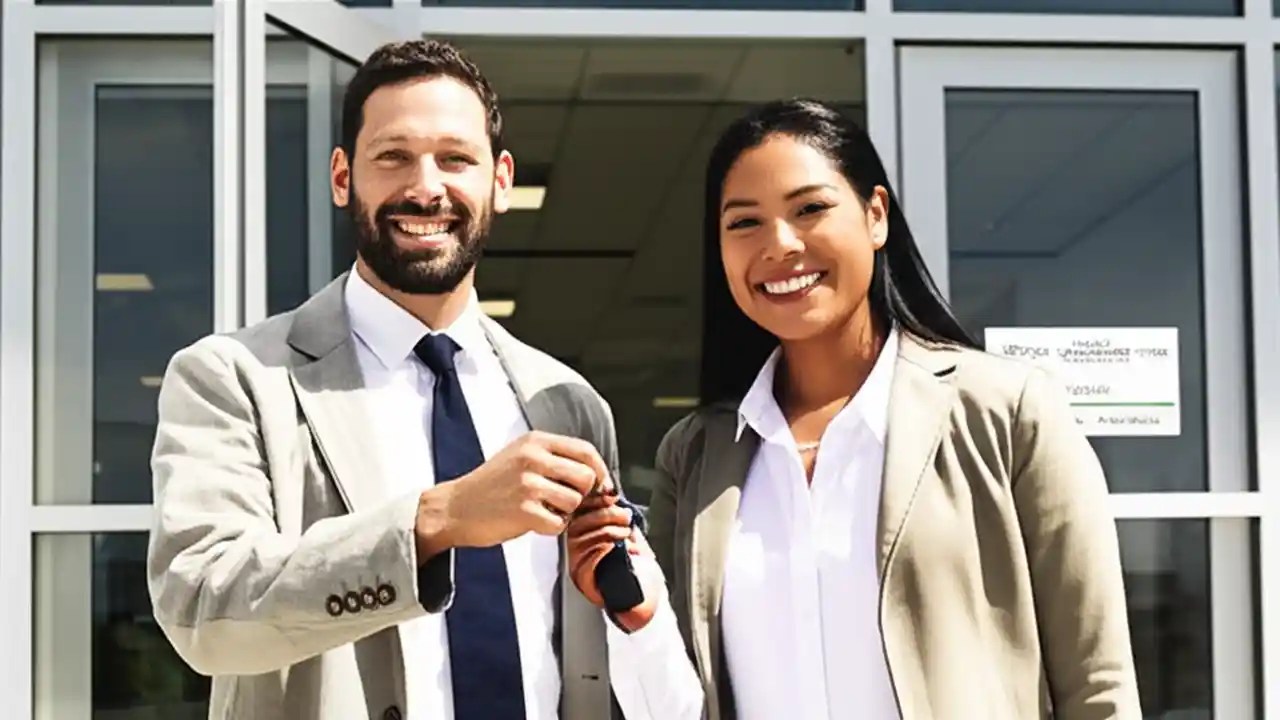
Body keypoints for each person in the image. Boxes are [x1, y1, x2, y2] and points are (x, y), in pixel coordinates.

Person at [567, 98, 1143, 719]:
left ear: (875, 215)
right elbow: (681, 703)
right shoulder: (698, 451)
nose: (779, 245)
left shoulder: (1007, 411)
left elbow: (1098, 686)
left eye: (810, 209)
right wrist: (640, 615)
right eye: (744, 223)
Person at [147, 38, 648, 720]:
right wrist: (435, 522)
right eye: (393, 156)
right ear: (342, 176)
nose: (425, 186)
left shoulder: (568, 403)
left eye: (454, 158)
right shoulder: (233, 379)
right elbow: (200, 606)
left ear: (499, 180)